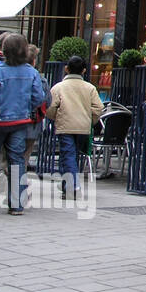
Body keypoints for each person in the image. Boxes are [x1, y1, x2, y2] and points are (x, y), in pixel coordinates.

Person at [0, 34, 47, 214]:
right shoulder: (31, 72)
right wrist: (26, 108)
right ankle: (16, 204)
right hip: (20, 122)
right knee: (17, 161)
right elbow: (39, 98)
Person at [46, 56, 104, 199]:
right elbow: (98, 108)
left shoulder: (58, 87)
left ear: (66, 69)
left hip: (65, 126)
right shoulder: (90, 88)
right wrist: (91, 121)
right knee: (74, 155)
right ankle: (68, 185)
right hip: (83, 127)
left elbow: (50, 108)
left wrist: (56, 118)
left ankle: (73, 187)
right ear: (84, 70)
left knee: (68, 155)